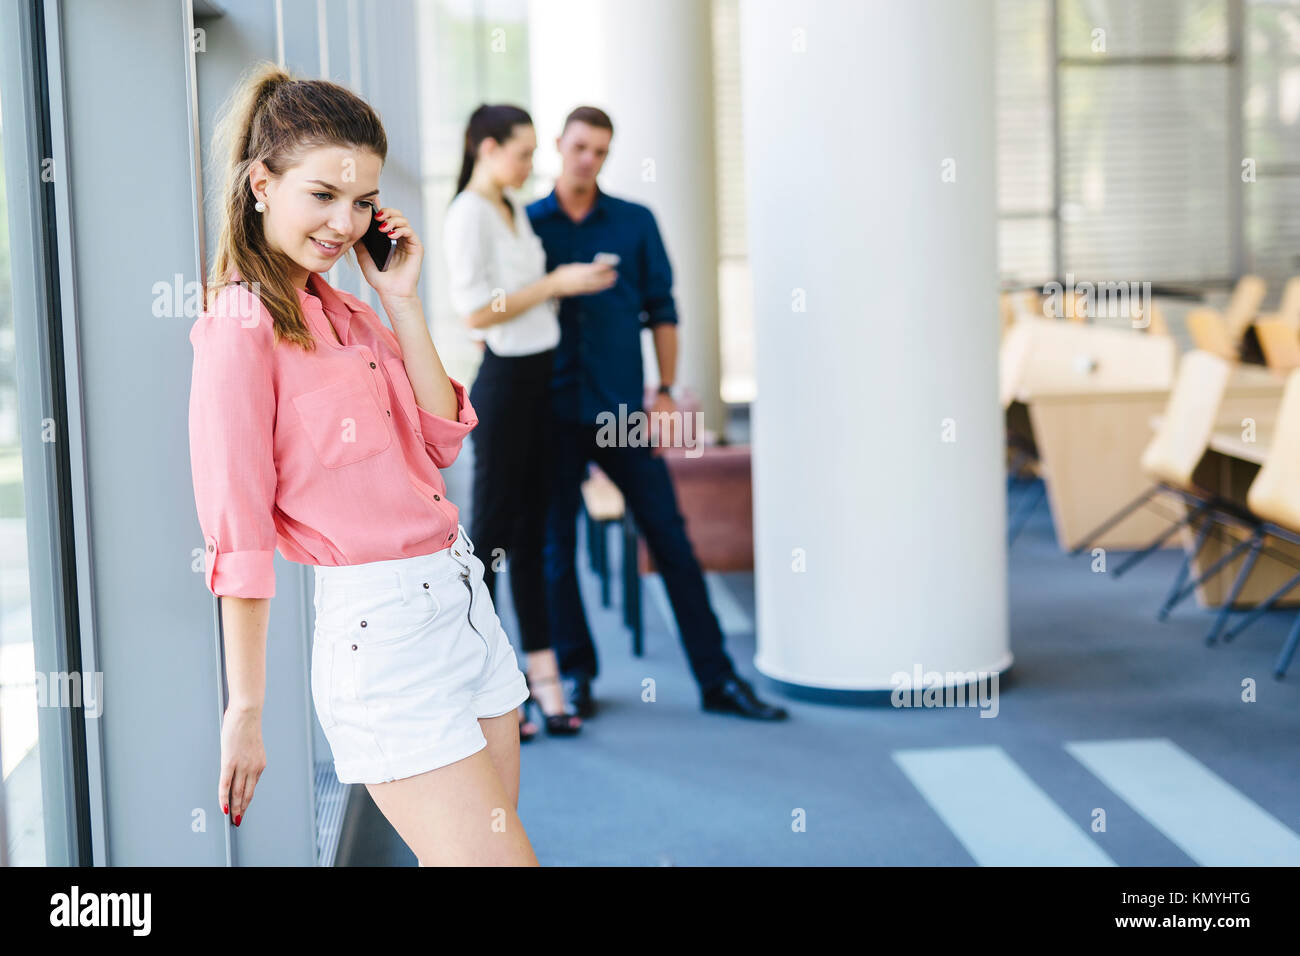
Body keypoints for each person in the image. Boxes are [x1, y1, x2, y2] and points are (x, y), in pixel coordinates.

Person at [187, 62, 537, 866]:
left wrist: (402, 302)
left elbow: (444, 434)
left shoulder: (347, 307)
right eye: (323, 195)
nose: (347, 223)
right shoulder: (240, 329)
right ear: (260, 184)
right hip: (383, 637)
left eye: (364, 202)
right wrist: (245, 707)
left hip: (463, 605)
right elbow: (237, 536)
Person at [526, 106, 788, 722]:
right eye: (580, 147)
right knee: (554, 550)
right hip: (553, 411)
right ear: (560, 145)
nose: (588, 159)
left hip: (622, 412)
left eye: (600, 151)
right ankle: (576, 674)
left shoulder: (636, 223)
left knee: (670, 539)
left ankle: (718, 680)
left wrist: (666, 388)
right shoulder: (528, 224)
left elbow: (662, 311)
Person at [443, 104, 615, 741]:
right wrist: (557, 284)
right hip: (509, 387)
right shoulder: (469, 213)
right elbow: (474, 311)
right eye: (522, 152)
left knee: (542, 535)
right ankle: (486, 695)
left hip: (542, 382)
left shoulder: (511, 208)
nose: (530, 164)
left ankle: (542, 682)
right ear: (487, 148)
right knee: (491, 538)